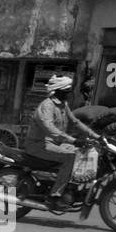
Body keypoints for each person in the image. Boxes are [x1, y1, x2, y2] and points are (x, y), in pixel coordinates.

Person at [23, 74, 96, 208]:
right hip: (38, 145)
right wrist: (73, 140)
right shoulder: (47, 106)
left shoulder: (63, 105)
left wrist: (95, 136)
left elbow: (75, 121)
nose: (69, 94)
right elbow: (51, 129)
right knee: (70, 158)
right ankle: (55, 195)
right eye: (67, 91)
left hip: (55, 143)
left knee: (82, 152)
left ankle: (70, 186)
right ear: (58, 91)